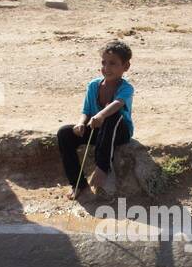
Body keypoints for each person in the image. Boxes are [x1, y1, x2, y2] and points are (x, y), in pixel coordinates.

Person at [57, 41, 135, 198]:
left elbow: (118, 103)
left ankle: (102, 167)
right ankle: (78, 184)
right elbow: (86, 111)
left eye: (113, 63)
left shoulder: (126, 88)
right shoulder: (93, 85)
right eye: (104, 63)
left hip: (119, 132)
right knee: (64, 133)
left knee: (111, 115)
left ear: (125, 66)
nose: (106, 68)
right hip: (98, 132)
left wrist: (101, 115)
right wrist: (80, 123)